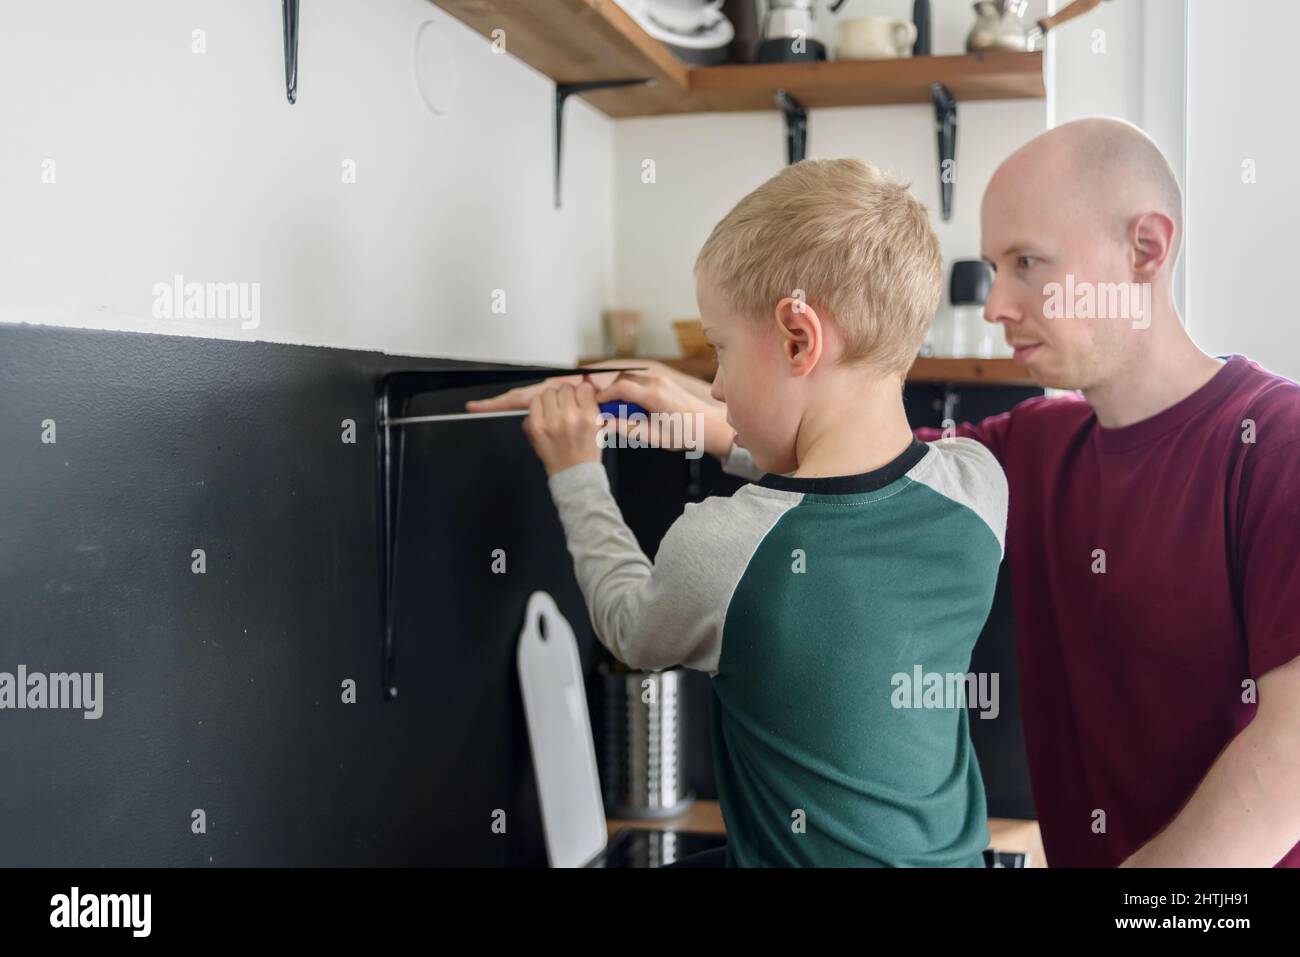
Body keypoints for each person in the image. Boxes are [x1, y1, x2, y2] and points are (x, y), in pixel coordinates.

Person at [479, 118, 1300, 868]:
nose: (997, 306)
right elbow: (857, 475)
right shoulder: (1022, 456)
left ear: (1146, 250)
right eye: (991, 266)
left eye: (1027, 263)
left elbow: (1287, 767)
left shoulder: (1279, 447)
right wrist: (690, 410)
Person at [507, 158, 1008, 866]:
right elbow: (863, 482)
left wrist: (577, 471)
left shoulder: (725, 545)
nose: (713, 384)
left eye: (720, 349)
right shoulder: (980, 490)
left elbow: (631, 628)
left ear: (799, 337)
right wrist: (719, 431)